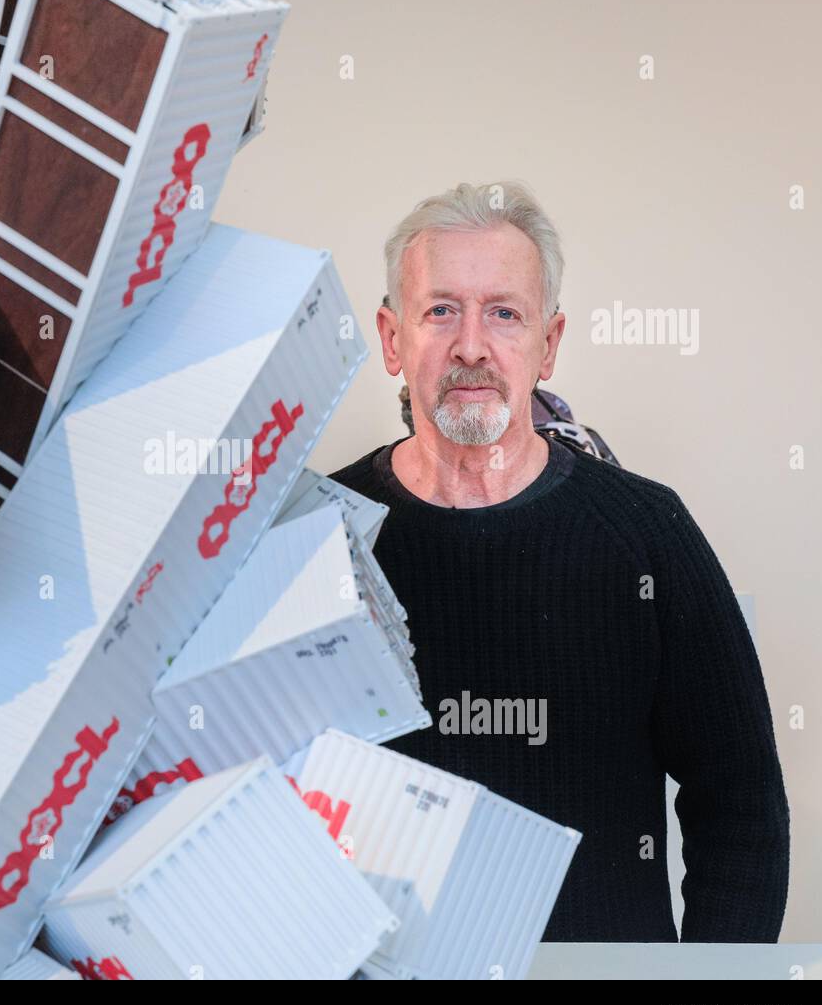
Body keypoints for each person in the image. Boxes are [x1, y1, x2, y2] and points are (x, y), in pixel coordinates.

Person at [329, 181, 789, 942]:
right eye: (440, 310)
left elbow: (740, 807)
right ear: (390, 337)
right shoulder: (319, 536)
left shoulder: (647, 532)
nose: (472, 345)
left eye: (505, 313)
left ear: (548, 343)